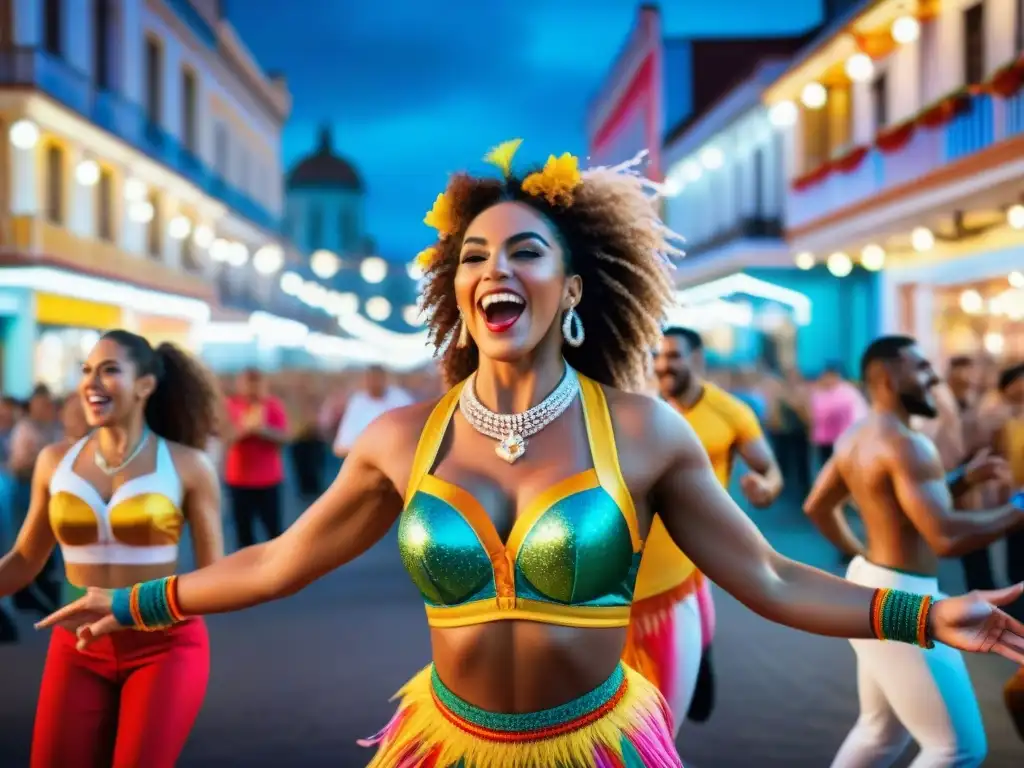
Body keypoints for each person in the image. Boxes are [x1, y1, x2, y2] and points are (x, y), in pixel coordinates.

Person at [41, 146, 1024, 768]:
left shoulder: (642, 431)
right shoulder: (401, 438)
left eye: (523, 252)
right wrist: (137, 602)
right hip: (445, 745)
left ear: (571, 290)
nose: (493, 270)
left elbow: (767, 576)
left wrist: (927, 615)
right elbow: (276, 562)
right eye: (473, 255)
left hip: (595, 746)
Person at [2, 330, 224, 767]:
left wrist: (144, 606)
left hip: (165, 647)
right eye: (86, 370)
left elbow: (215, 579)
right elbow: (26, 559)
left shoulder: (188, 465)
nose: (91, 382)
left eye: (109, 370)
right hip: (77, 646)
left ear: (145, 385)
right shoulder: (54, 461)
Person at [804, 335, 1024, 767]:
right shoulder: (908, 443)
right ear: (888, 377)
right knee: (958, 749)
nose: (933, 378)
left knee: (880, 732)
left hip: (870, 581)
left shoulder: (858, 434)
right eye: (921, 368)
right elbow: (946, 537)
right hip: (905, 596)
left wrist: (962, 479)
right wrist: (1019, 507)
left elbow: (819, 506)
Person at [631, 326, 783, 731]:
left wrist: (765, 488)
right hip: (645, 561)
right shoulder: (640, 407)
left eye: (674, 356)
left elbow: (769, 469)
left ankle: (697, 667)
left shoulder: (730, 412)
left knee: (677, 679)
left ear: (697, 359)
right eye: (658, 356)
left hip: (699, 554)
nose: (663, 365)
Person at [223, 368, 289, 549]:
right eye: (247, 384)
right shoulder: (229, 406)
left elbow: (284, 437)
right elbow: (224, 438)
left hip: (268, 480)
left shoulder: (273, 405)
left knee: (274, 532)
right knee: (243, 534)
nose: (252, 389)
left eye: (256, 384)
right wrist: (245, 430)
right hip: (239, 480)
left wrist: (263, 430)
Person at [332, 365, 413, 459]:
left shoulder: (400, 398)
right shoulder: (358, 402)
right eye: (371, 379)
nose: (374, 383)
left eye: (377, 378)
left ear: (384, 379)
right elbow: (341, 447)